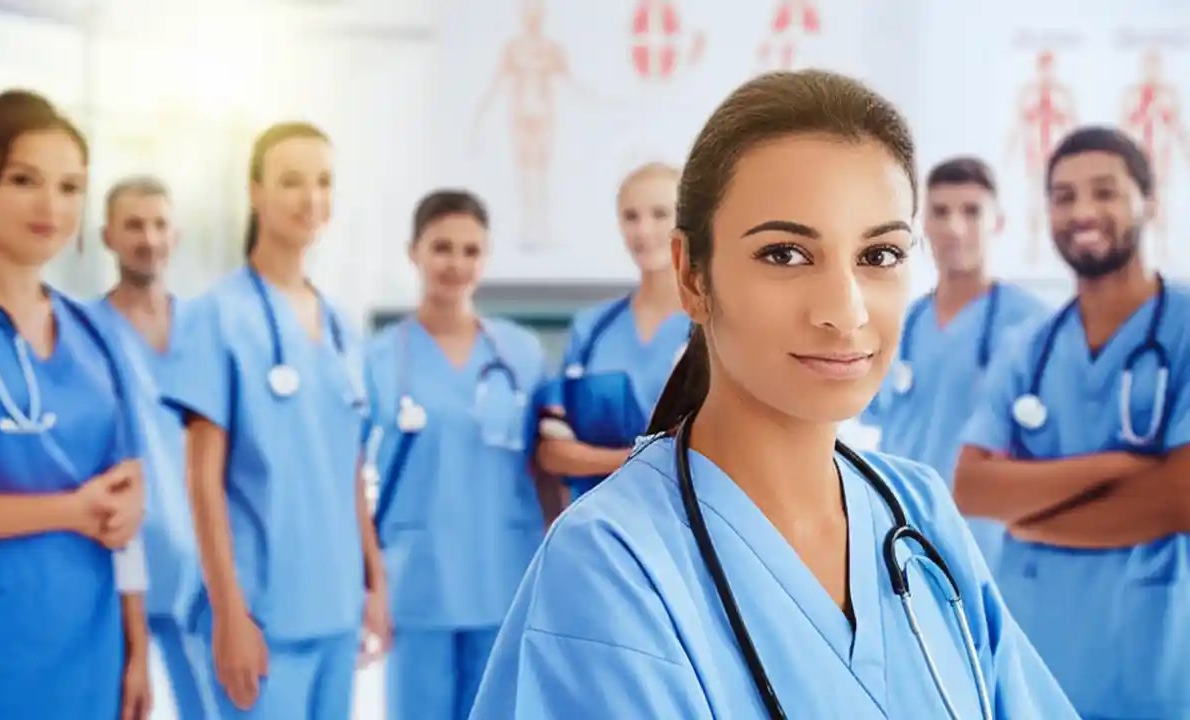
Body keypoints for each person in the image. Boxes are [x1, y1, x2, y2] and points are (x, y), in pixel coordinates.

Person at [469, 70, 1078, 719]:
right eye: (785, 254)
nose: (844, 313)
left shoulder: (919, 512)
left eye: (879, 255)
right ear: (691, 276)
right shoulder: (612, 560)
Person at [0, 90, 151, 719]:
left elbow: (125, 506)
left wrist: (138, 645)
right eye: (24, 180)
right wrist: (66, 510)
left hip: (86, 663)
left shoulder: (99, 335)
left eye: (71, 187)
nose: (51, 206)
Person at [955, 126, 1190, 719]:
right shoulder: (1028, 347)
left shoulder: (1184, 327)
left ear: (1150, 202)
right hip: (1036, 674)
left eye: (1105, 192)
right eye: (1064, 196)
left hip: (1155, 674)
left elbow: (1180, 497)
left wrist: (1033, 522)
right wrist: (1116, 465)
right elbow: (973, 487)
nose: (1083, 211)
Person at [162, 122, 389, 719]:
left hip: (335, 609)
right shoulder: (218, 316)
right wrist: (229, 613)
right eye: (291, 181)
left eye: (323, 182)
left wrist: (375, 585)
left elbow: (349, 470)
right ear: (256, 192)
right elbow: (202, 480)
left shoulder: (341, 328)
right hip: (260, 613)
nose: (311, 197)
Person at [363, 190, 547, 720]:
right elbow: (350, 479)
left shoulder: (520, 353)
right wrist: (371, 582)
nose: (456, 263)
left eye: (471, 250)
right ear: (413, 252)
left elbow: (543, 467)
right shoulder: (378, 358)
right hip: (419, 579)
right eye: (441, 247)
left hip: (504, 574)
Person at [859, 157, 1047, 566]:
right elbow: (867, 411)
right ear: (921, 224)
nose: (954, 228)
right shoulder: (901, 323)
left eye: (971, 211)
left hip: (989, 544)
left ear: (997, 221)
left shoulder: (1032, 326)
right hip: (902, 533)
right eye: (940, 212)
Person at [89, 176, 214, 718]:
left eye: (159, 224)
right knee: (123, 703)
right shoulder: (85, 331)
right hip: (122, 561)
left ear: (177, 234)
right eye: (133, 225)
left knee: (213, 707)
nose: (149, 237)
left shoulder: (205, 329)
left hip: (204, 562)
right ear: (107, 236)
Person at [537, 161, 690, 500]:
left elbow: (712, 452)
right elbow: (552, 451)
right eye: (631, 217)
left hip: (680, 526)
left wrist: (594, 458)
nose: (644, 230)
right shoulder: (592, 328)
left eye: (660, 214)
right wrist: (644, 457)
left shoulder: (709, 328)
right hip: (595, 526)